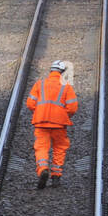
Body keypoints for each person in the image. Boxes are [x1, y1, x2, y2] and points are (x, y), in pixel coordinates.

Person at [25, 59, 79, 189]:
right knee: (60, 148)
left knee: (41, 148)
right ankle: (56, 177)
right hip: (59, 124)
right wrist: (63, 115)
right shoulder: (66, 86)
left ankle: (43, 169)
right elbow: (72, 107)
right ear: (62, 72)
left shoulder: (40, 84)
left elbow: (30, 103)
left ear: (51, 71)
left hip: (41, 122)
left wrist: (39, 111)